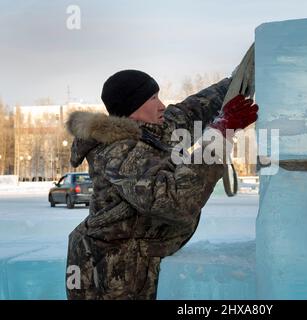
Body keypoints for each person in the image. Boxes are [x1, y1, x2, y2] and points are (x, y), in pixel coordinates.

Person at [65, 69, 258, 299]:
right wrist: (220, 134)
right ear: (132, 109)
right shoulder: (118, 152)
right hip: (112, 271)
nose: (162, 105)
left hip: (137, 258)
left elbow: (192, 110)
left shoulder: (152, 129)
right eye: (153, 98)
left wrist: (239, 79)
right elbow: (174, 199)